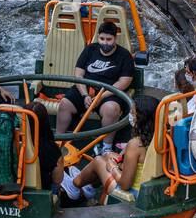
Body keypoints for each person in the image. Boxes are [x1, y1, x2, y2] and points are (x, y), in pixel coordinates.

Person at [60, 94, 156, 206]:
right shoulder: (156, 138)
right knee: (108, 155)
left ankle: (74, 185)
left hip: (133, 195)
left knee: (99, 161)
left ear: (140, 118)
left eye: (133, 113)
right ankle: (88, 188)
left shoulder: (135, 144)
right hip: (146, 189)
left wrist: (113, 168)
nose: (130, 115)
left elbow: (125, 184)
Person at [54, 20, 136, 148]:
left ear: (115, 38)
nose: (105, 42)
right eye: (102, 38)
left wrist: (100, 97)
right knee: (65, 103)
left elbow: (124, 82)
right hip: (86, 90)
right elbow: (78, 74)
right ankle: (58, 140)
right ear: (98, 37)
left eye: (109, 39)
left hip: (109, 93)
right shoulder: (90, 49)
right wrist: (85, 95)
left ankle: (106, 147)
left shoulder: (125, 56)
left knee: (111, 109)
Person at [29, 101, 66, 192]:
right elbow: (57, 180)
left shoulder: (11, 140)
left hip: (13, 187)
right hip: (42, 192)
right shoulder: (51, 149)